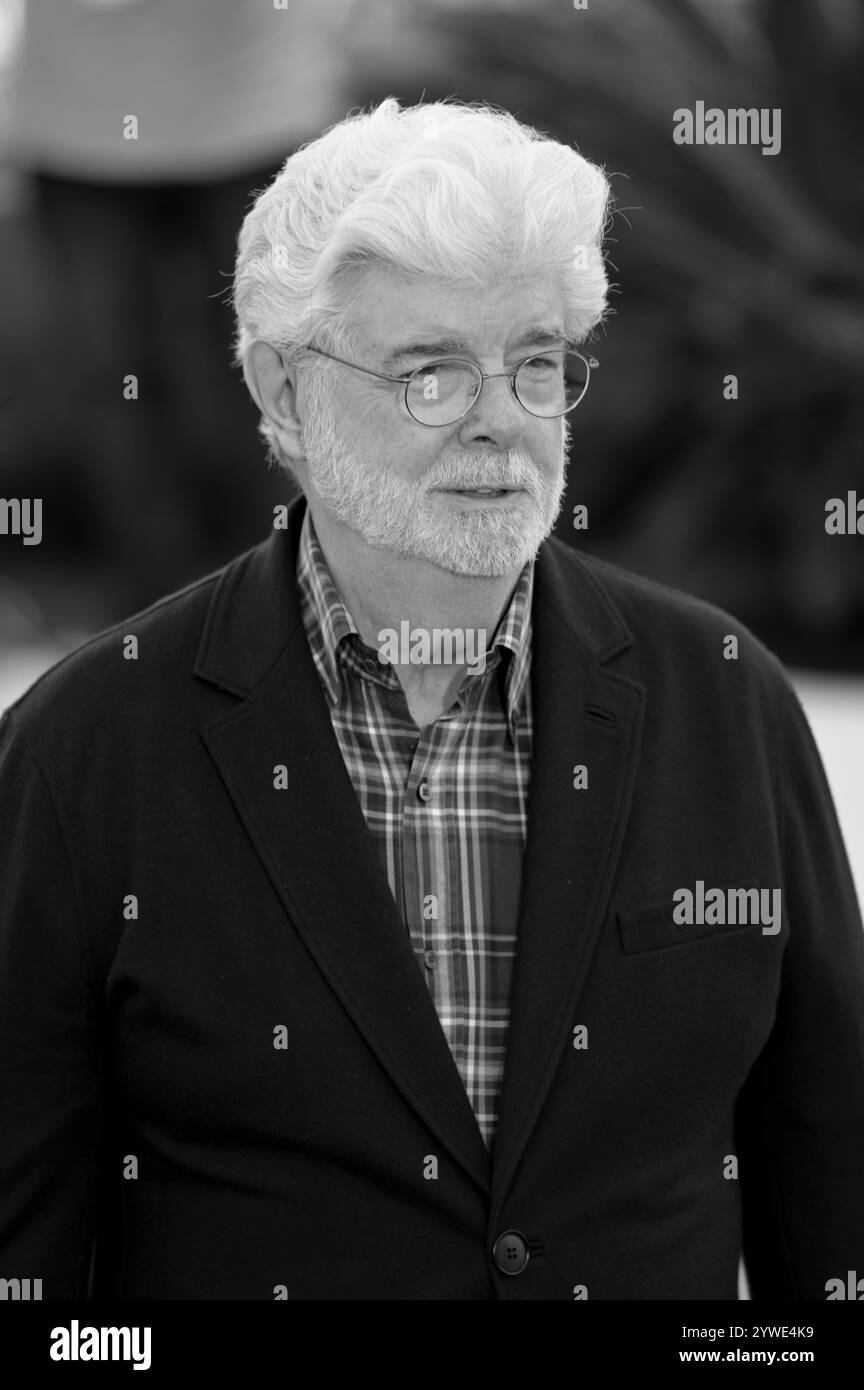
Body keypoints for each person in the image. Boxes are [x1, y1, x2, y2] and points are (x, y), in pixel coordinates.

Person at [1, 97, 862, 1302]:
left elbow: (831, 1216)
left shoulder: (729, 704)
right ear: (287, 395)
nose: (501, 420)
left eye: (537, 362)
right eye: (431, 373)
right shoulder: (85, 751)